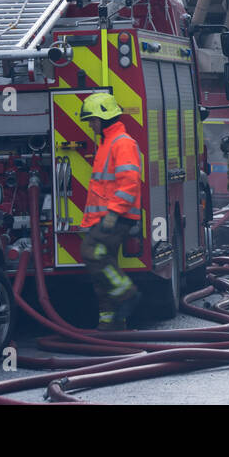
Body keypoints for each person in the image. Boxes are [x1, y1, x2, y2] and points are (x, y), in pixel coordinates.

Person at [78, 92, 142, 331]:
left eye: (92, 120)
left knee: (93, 252)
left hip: (116, 217)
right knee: (103, 268)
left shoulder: (121, 143)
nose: (91, 125)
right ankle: (111, 321)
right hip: (105, 217)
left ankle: (127, 294)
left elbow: (130, 182)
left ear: (104, 118)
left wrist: (114, 213)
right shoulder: (107, 142)